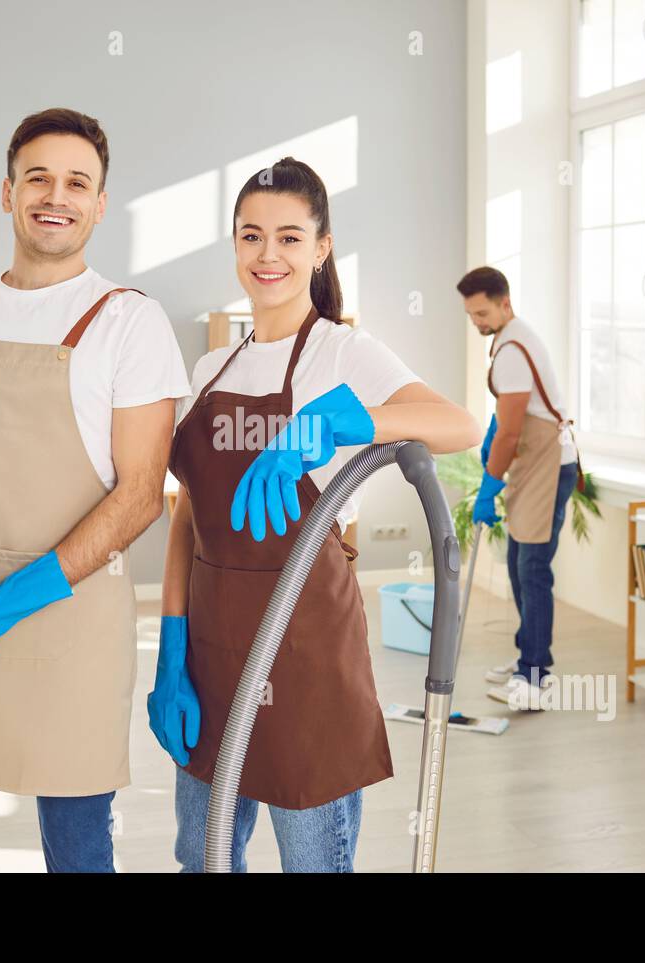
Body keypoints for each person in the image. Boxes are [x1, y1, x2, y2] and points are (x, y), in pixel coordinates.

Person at [0, 107, 190, 872]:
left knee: (77, 852)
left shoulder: (128, 321)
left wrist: (10, 599)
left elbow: (141, 495)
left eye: (77, 182)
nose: (57, 195)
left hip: (67, 615)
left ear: (100, 202)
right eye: (39, 177)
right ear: (7, 192)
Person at [148, 157, 481, 872]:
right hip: (211, 655)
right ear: (234, 244)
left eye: (291, 237)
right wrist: (170, 650)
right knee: (201, 856)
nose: (269, 255)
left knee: (311, 863)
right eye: (251, 236)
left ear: (322, 247)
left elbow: (460, 424)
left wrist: (354, 419)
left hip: (305, 658)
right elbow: (187, 520)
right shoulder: (212, 368)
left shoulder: (341, 351)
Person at [460, 267, 583, 709]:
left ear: (504, 304)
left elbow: (512, 432)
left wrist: (489, 486)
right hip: (536, 464)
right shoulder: (511, 336)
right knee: (518, 561)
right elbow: (507, 416)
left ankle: (535, 676)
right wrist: (493, 439)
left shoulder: (513, 346)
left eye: (482, 313)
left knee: (532, 570)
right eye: (471, 315)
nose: (477, 322)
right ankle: (525, 657)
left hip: (549, 467)